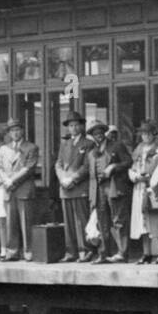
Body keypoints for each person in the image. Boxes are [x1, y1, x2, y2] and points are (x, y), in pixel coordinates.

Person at [0, 119, 38, 262]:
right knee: (10, 222)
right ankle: (12, 252)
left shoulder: (31, 147)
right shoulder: (4, 149)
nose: (15, 133)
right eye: (12, 131)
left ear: (22, 131)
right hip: (8, 189)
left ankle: (28, 251)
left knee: (26, 222)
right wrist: (5, 180)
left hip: (23, 188)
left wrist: (12, 180)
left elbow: (29, 168)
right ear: (9, 133)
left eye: (17, 130)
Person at [87, 121, 133, 263]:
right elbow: (91, 175)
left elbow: (128, 162)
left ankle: (122, 253)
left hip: (114, 187)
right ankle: (103, 253)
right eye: (95, 134)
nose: (98, 135)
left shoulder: (116, 146)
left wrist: (113, 166)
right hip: (99, 190)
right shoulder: (91, 153)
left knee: (119, 220)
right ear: (92, 136)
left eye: (100, 132)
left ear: (104, 133)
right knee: (102, 222)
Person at [129, 121, 158, 264]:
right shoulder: (138, 149)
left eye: (148, 133)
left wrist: (150, 176)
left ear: (154, 134)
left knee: (157, 218)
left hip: (154, 188)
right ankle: (146, 253)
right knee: (142, 221)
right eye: (143, 133)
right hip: (139, 187)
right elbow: (133, 167)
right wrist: (135, 176)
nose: (145, 136)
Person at [54, 112, 92, 262]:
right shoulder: (65, 144)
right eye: (71, 125)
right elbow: (58, 163)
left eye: (76, 125)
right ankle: (71, 252)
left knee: (82, 220)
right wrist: (62, 178)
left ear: (82, 126)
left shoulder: (88, 144)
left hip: (79, 187)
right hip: (65, 187)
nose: (74, 128)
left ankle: (86, 250)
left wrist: (73, 179)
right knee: (68, 222)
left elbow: (87, 166)